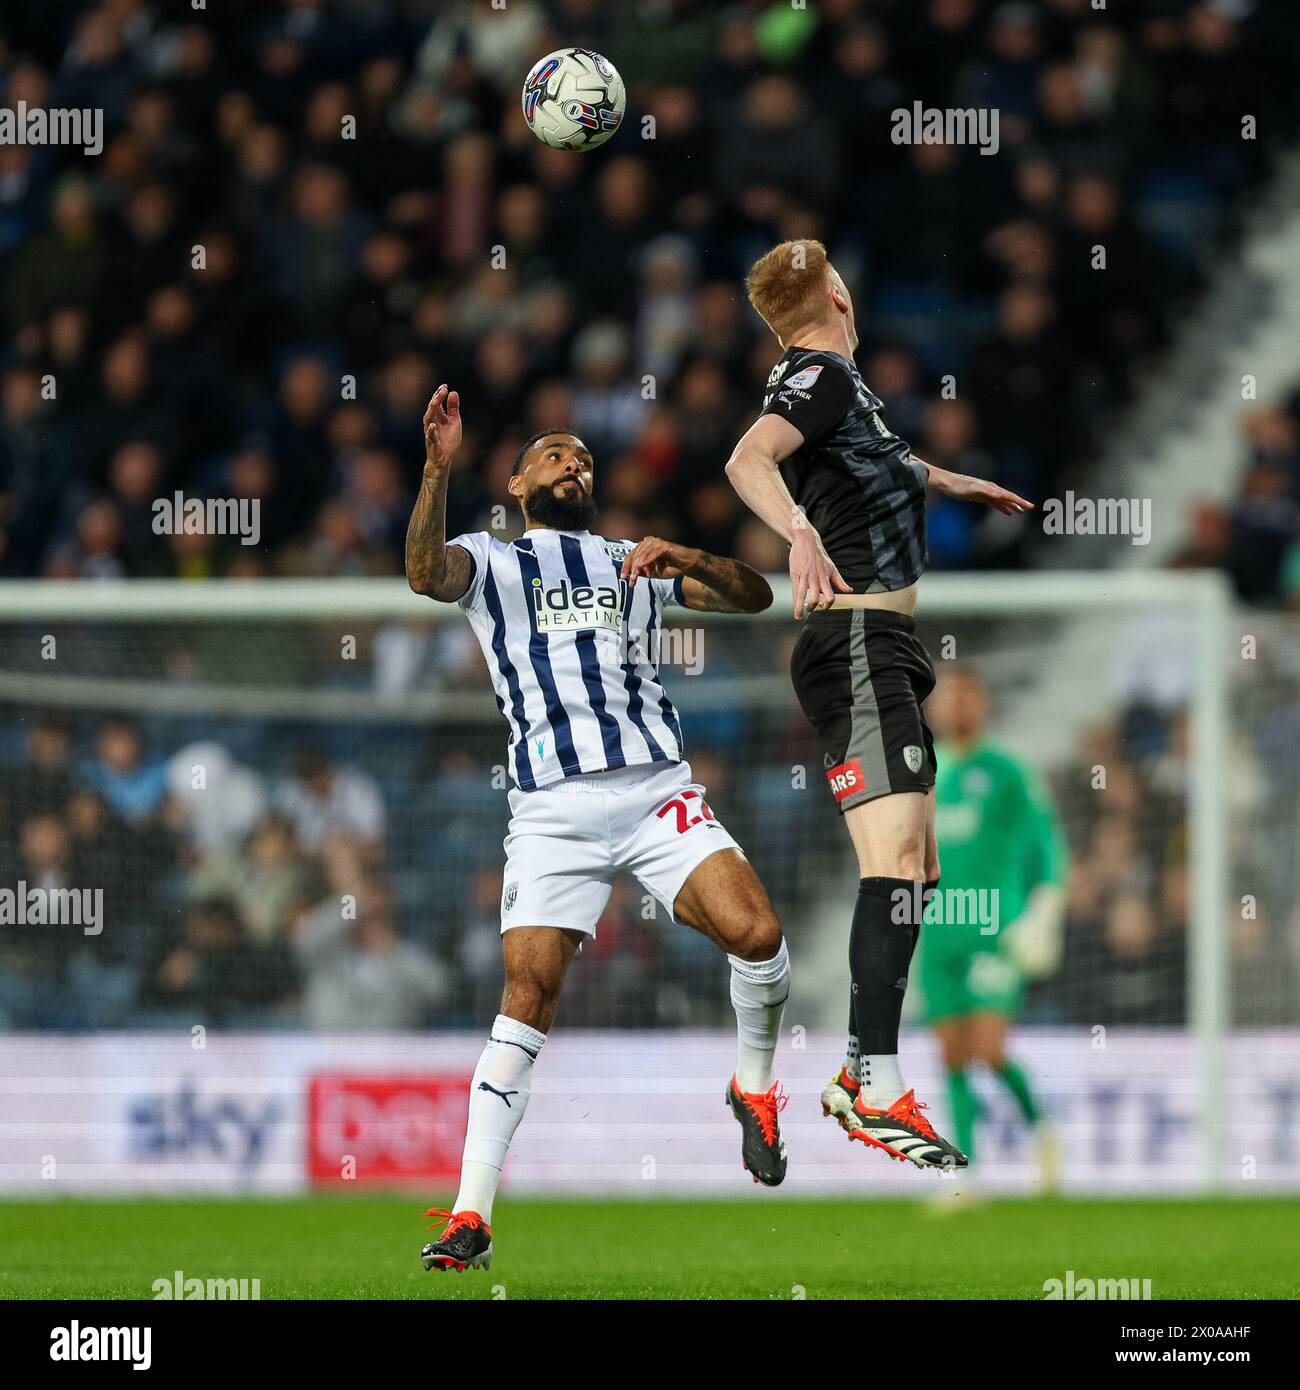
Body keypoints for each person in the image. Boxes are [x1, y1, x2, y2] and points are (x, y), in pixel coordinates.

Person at [405, 385, 791, 1273]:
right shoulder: (493, 562)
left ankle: (755, 1088)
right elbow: (425, 574)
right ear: (516, 480)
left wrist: (685, 554)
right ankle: (471, 1216)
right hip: (551, 813)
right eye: (554, 454)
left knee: (760, 933)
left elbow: (754, 596)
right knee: (527, 994)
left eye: (583, 457)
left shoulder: (632, 560)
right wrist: (434, 467)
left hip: (657, 793)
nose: (574, 463)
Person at [724, 238, 1031, 1170]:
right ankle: (873, 1076)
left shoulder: (846, 393)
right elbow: (748, 461)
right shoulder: (813, 376)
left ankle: (862, 1066)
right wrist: (800, 532)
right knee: (896, 862)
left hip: (884, 648)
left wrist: (943, 478)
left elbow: (869, 464)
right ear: (837, 295)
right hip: (856, 642)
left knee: (920, 871)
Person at [920, 665, 1068, 1199]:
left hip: (992, 928)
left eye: (964, 695)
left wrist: (1044, 909)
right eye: (945, 697)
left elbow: (1045, 843)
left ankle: (1043, 1133)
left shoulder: (1007, 771)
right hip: (937, 931)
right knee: (952, 1054)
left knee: (988, 1046)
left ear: (982, 704)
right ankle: (963, 1174)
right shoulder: (920, 775)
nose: (953, 706)